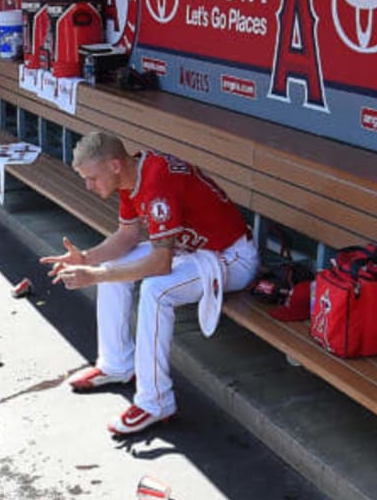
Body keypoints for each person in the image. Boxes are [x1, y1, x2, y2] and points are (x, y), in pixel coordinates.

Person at [41, 133, 257, 435]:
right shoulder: (132, 175)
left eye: (92, 178)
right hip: (190, 250)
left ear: (115, 165)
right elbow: (127, 237)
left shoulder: (157, 183)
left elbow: (160, 264)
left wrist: (94, 276)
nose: (89, 186)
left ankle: (155, 402)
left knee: (156, 290)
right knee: (113, 265)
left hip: (231, 258)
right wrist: (86, 258)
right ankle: (116, 364)